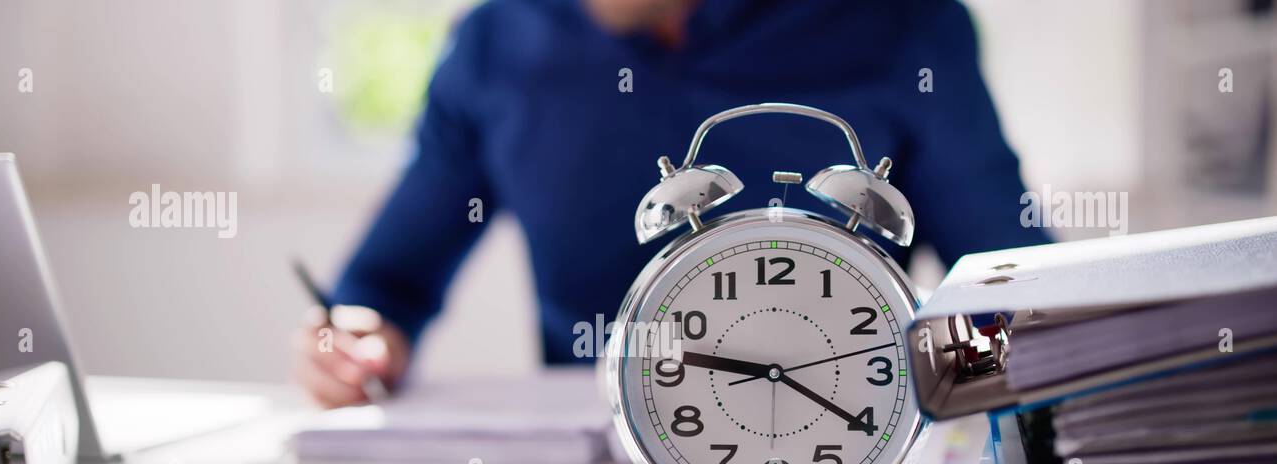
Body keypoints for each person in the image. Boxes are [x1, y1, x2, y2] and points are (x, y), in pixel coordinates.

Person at [294, 0, 1048, 407]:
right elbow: (387, 284)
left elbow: (1019, 292)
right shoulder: (496, 44)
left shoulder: (905, 26)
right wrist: (359, 337)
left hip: (842, 462)